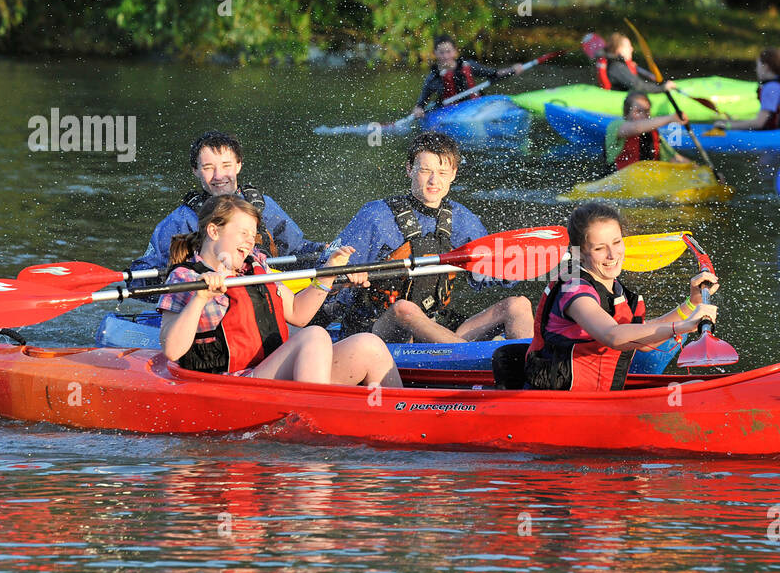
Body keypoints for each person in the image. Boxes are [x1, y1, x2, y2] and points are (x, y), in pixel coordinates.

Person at [157, 194, 401, 386]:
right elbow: (172, 350)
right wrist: (200, 298)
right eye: (243, 233)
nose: (250, 242)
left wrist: (329, 272)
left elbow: (298, 313)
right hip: (232, 384)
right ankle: (316, 422)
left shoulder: (255, 265)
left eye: (253, 235)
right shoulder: (185, 277)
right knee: (315, 336)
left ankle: (398, 417)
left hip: (270, 374)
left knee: (369, 345)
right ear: (213, 231)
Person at [320, 131, 534, 343]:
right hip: (376, 330)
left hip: (435, 326)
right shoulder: (375, 216)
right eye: (425, 170)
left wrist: (519, 265)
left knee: (518, 305)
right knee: (404, 309)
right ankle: (464, 357)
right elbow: (326, 280)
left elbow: (486, 274)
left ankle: (528, 368)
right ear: (409, 170)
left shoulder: (462, 220)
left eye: (442, 173)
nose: (434, 181)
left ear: (454, 174)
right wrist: (347, 283)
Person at [523, 202, 717, 392]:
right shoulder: (574, 290)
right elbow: (612, 335)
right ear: (580, 254)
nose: (612, 254)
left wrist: (692, 304)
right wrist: (684, 326)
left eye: (617, 242)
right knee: (701, 392)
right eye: (599, 248)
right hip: (562, 404)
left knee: (700, 388)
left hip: (599, 400)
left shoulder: (614, 288)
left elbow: (645, 341)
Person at [132, 130, 319, 279]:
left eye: (226, 166)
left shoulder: (263, 207)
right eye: (208, 168)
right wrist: (177, 278)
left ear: (238, 165)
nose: (219, 176)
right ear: (195, 170)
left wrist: (325, 254)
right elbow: (144, 272)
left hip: (264, 290)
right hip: (211, 298)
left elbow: (298, 251)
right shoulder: (182, 219)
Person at [410, 35, 523, 119]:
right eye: (441, 52)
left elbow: (494, 73)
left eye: (448, 51)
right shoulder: (433, 77)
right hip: (451, 112)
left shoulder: (468, 65)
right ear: (435, 53)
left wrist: (512, 70)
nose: (445, 56)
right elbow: (421, 102)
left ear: (455, 52)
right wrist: (418, 109)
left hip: (475, 106)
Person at [713, 48, 780, 130]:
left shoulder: (771, 88)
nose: (756, 69)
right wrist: (736, 122)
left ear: (765, 66)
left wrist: (728, 126)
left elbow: (759, 123)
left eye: (757, 65)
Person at [605, 92, 693, 170]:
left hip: (646, 180)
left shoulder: (653, 133)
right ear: (627, 113)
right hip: (617, 180)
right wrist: (671, 118)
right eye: (638, 111)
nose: (643, 115)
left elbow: (675, 159)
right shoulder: (615, 126)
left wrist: (696, 169)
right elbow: (637, 127)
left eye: (646, 111)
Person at [596, 33, 677, 93]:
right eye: (628, 46)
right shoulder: (617, 67)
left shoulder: (617, 64)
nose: (632, 49)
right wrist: (663, 88)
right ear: (619, 49)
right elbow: (639, 87)